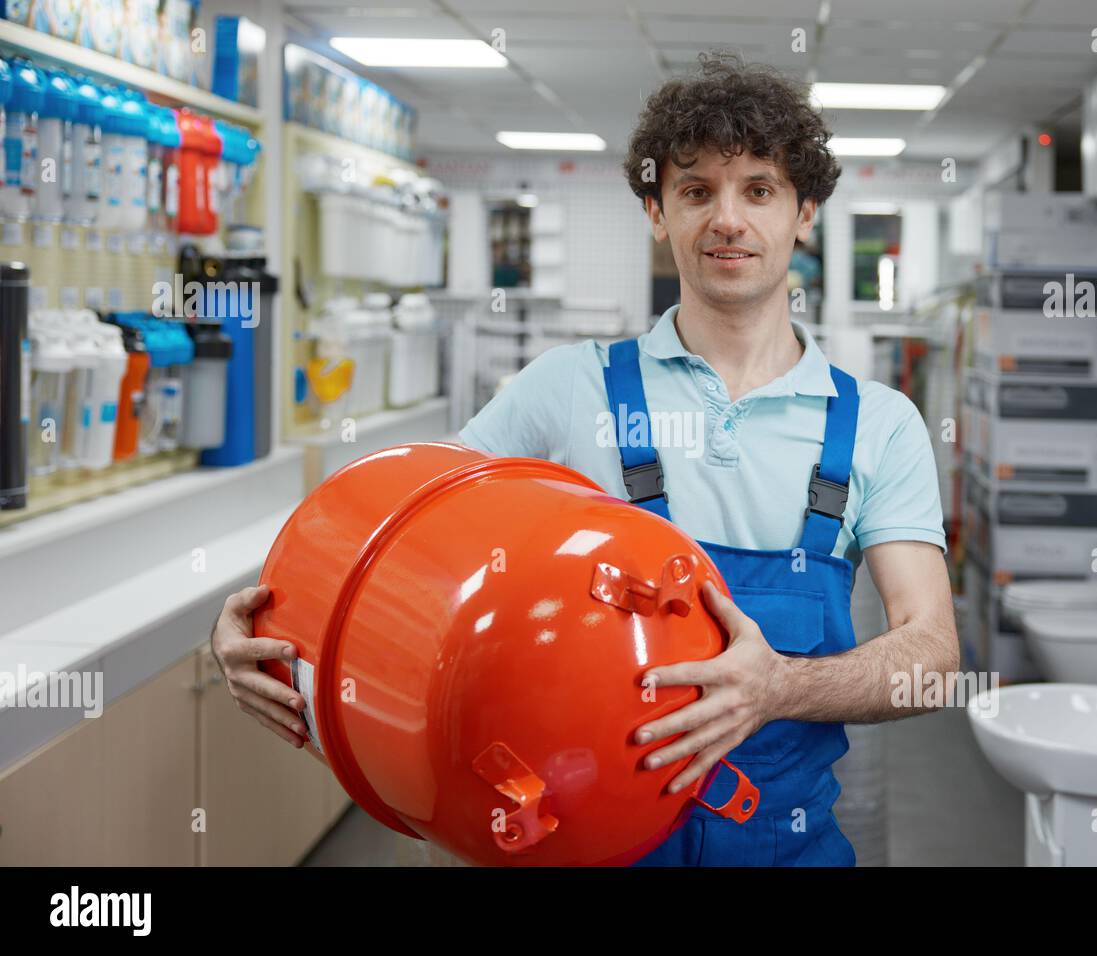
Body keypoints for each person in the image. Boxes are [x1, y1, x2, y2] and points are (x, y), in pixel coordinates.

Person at [211, 52, 958, 867]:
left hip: (786, 848)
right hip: (577, 851)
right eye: (696, 191)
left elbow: (933, 656)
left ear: (805, 212)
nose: (728, 220)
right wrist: (262, 622)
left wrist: (781, 687)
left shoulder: (880, 425)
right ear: (656, 211)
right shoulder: (568, 388)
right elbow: (398, 540)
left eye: (760, 190)